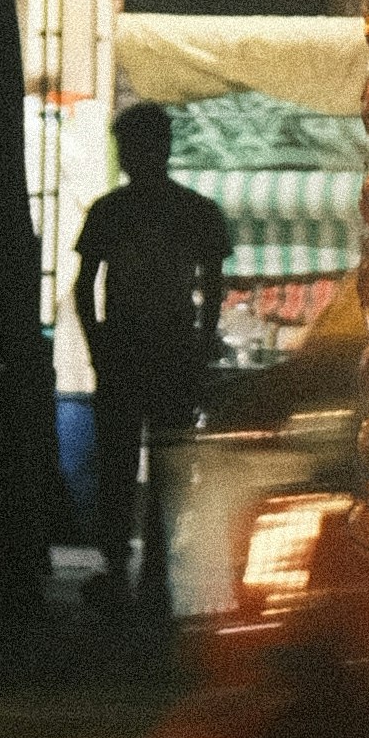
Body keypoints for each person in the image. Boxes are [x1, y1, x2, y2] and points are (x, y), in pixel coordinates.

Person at [73, 101, 234, 626]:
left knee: (118, 466)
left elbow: (84, 286)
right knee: (168, 464)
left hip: (124, 354)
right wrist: (201, 345)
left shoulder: (109, 211)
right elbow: (212, 287)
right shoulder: (197, 211)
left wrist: (99, 344)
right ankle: (156, 572)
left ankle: (119, 567)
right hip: (171, 356)